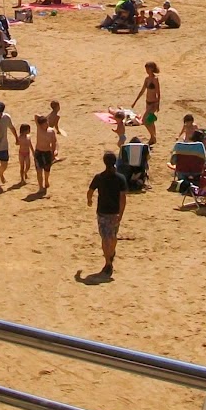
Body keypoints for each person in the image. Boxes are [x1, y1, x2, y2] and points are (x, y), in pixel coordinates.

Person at [86, 150, 129, 278]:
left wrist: (89, 200)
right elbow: (123, 198)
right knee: (113, 235)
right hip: (115, 212)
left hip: (103, 211)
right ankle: (111, 253)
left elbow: (90, 191)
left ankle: (108, 262)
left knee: (105, 237)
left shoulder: (99, 177)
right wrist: (121, 213)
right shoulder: (120, 178)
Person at [130, 62, 161, 145]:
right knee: (151, 121)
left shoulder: (155, 79)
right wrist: (135, 101)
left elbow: (158, 92)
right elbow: (142, 90)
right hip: (148, 103)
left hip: (153, 103)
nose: (147, 70)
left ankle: (153, 136)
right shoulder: (147, 79)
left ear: (152, 69)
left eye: (148, 68)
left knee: (144, 120)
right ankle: (153, 138)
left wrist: (158, 104)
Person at [33, 113, 57, 196]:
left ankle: (46, 180)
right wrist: (41, 118)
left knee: (47, 170)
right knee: (39, 170)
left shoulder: (51, 131)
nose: (46, 125)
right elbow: (35, 116)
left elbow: (54, 143)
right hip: (38, 152)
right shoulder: (39, 128)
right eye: (44, 124)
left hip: (47, 152)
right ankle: (40, 187)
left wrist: (54, 152)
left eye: (46, 122)